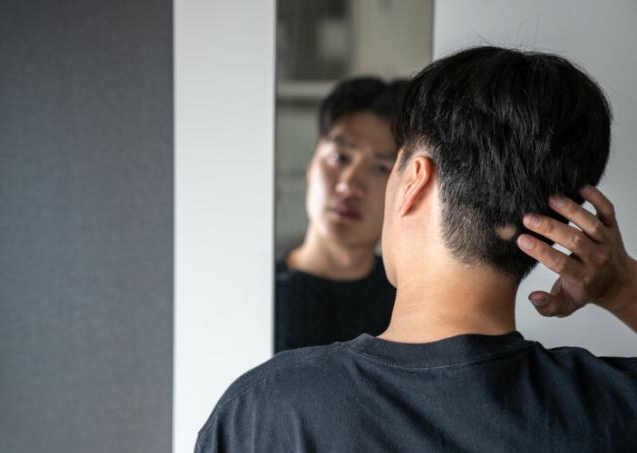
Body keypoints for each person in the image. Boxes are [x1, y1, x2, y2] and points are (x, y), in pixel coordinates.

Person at [196, 47, 637, 452]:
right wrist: (622, 287)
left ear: (413, 181)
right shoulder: (610, 409)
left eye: (387, 165)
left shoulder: (264, 413)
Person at [275, 77, 406, 353]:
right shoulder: (258, 287)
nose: (349, 185)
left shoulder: (410, 302)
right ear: (311, 163)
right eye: (340, 157)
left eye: (381, 168)